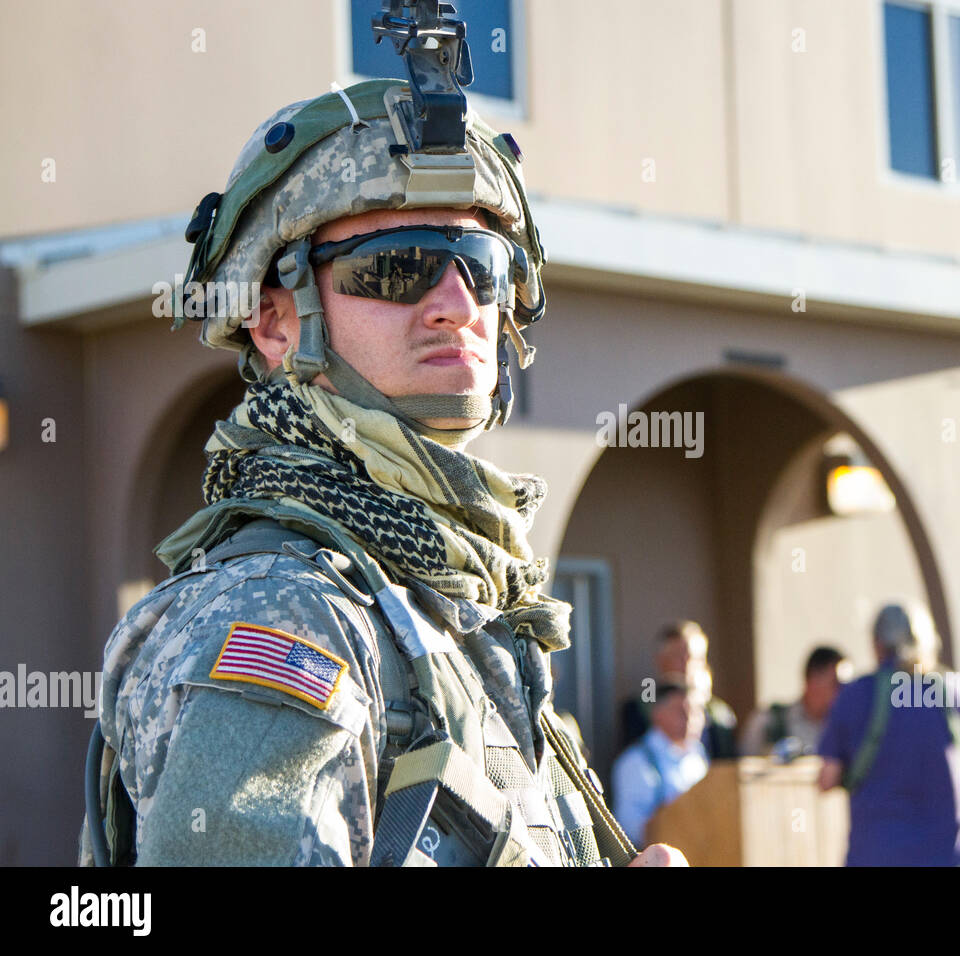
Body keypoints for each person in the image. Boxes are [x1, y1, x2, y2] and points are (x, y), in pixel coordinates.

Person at [80, 6, 684, 868]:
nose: (454, 303)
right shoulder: (285, 616)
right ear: (274, 321)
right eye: (395, 265)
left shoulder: (462, 602)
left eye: (481, 266)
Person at [817, 603, 960, 866]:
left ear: (877, 645)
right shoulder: (955, 691)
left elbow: (828, 777)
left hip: (875, 856)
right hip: (946, 857)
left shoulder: (855, 695)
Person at [619, 620, 738, 759]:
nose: (687, 666)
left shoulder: (719, 714)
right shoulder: (638, 709)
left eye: (695, 659)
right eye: (679, 657)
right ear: (660, 661)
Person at [611, 683, 708, 847]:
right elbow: (629, 827)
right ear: (657, 714)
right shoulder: (635, 762)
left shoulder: (698, 755)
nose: (691, 719)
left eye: (697, 711)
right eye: (682, 711)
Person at [740, 646, 848, 757]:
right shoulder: (768, 722)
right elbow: (742, 766)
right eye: (836, 684)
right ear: (813, 680)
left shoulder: (846, 729)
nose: (845, 692)